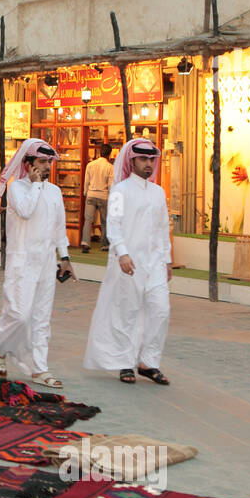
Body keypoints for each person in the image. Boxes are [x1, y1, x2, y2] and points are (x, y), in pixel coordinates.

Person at [0, 138, 75, 388]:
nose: (46, 167)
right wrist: (34, 185)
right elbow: (25, 211)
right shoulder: (17, 188)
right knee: (19, 315)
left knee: (42, 317)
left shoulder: (54, 191)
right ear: (29, 164)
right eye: (41, 162)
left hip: (46, 263)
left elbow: (59, 228)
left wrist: (64, 257)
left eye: (49, 162)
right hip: (21, 262)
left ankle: (39, 369)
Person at [83, 138, 172, 385]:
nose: (147, 164)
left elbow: (163, 228)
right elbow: (113, 224)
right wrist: (121, 253)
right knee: (128, 311)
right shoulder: (120, 190)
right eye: (142, 159)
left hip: (154, 263)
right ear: (132, 161)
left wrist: (167, 259)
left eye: (151, 159)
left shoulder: (158, 192)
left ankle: (147, 362)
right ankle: (124, 362)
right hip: (129, 263)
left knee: (161, 310)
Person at [83, 142, 115, 253]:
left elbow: (86, 180)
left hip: (91, 194)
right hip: (104, 195)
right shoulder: (110, 167)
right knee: (105, 221)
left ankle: (85, 242)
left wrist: (85, 192)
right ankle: (104, 244)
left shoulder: (90, 165)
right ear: (109, 154)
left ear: (100, 152)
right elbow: (111, 183)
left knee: (88, 220)